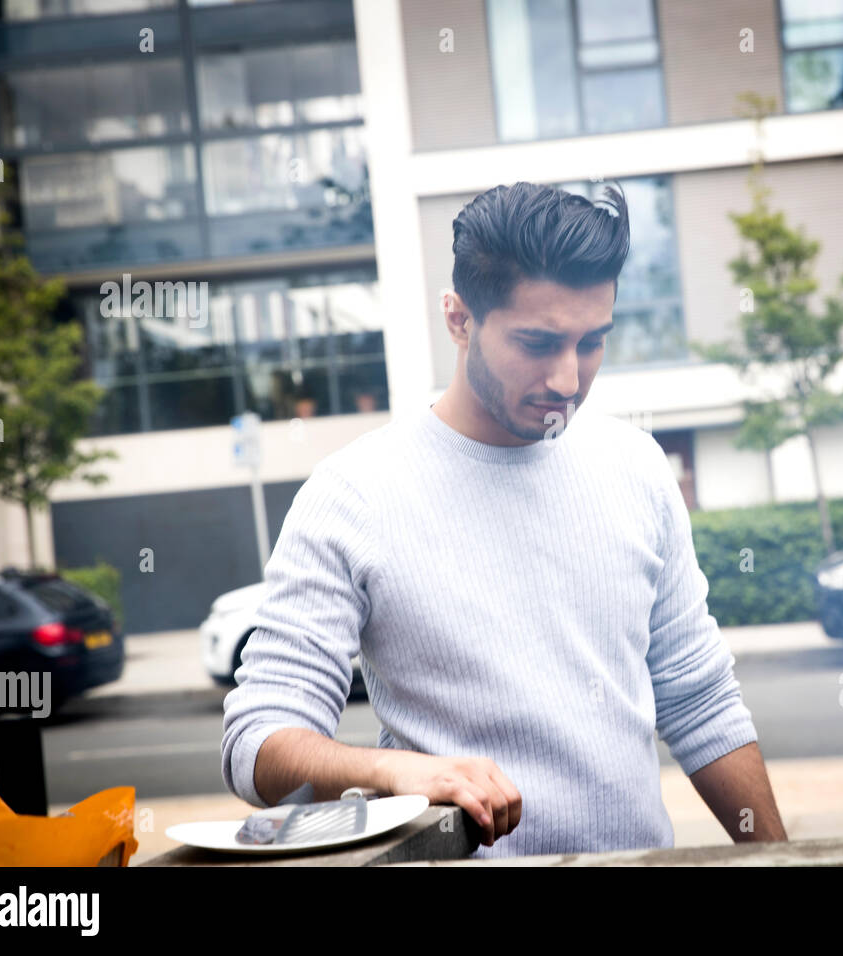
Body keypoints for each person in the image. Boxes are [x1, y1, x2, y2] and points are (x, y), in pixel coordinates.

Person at [221, 181, 787, 858]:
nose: (569, 379)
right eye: (539, 342)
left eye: (591, 342)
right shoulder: (353, 495)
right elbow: (255, 741)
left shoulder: (637, 468)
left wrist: (785, 858)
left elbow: (700, 704)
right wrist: (394, 770)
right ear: (459, 320)